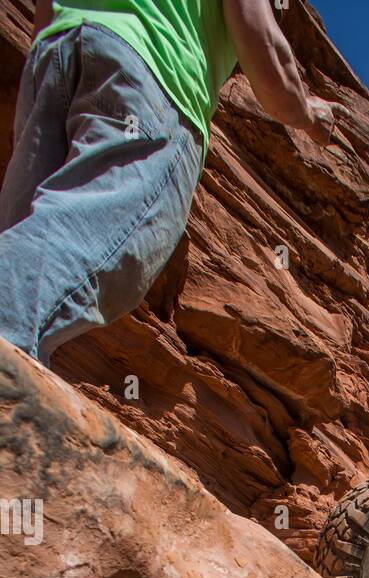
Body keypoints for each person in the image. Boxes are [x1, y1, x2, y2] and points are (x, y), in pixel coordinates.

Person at [0, 0, 338, 365]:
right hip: (155, 71)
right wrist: (307, 111)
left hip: (55, 53)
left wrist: (54, 54)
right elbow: (262, 41)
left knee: (28, 236)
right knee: (96, 239)